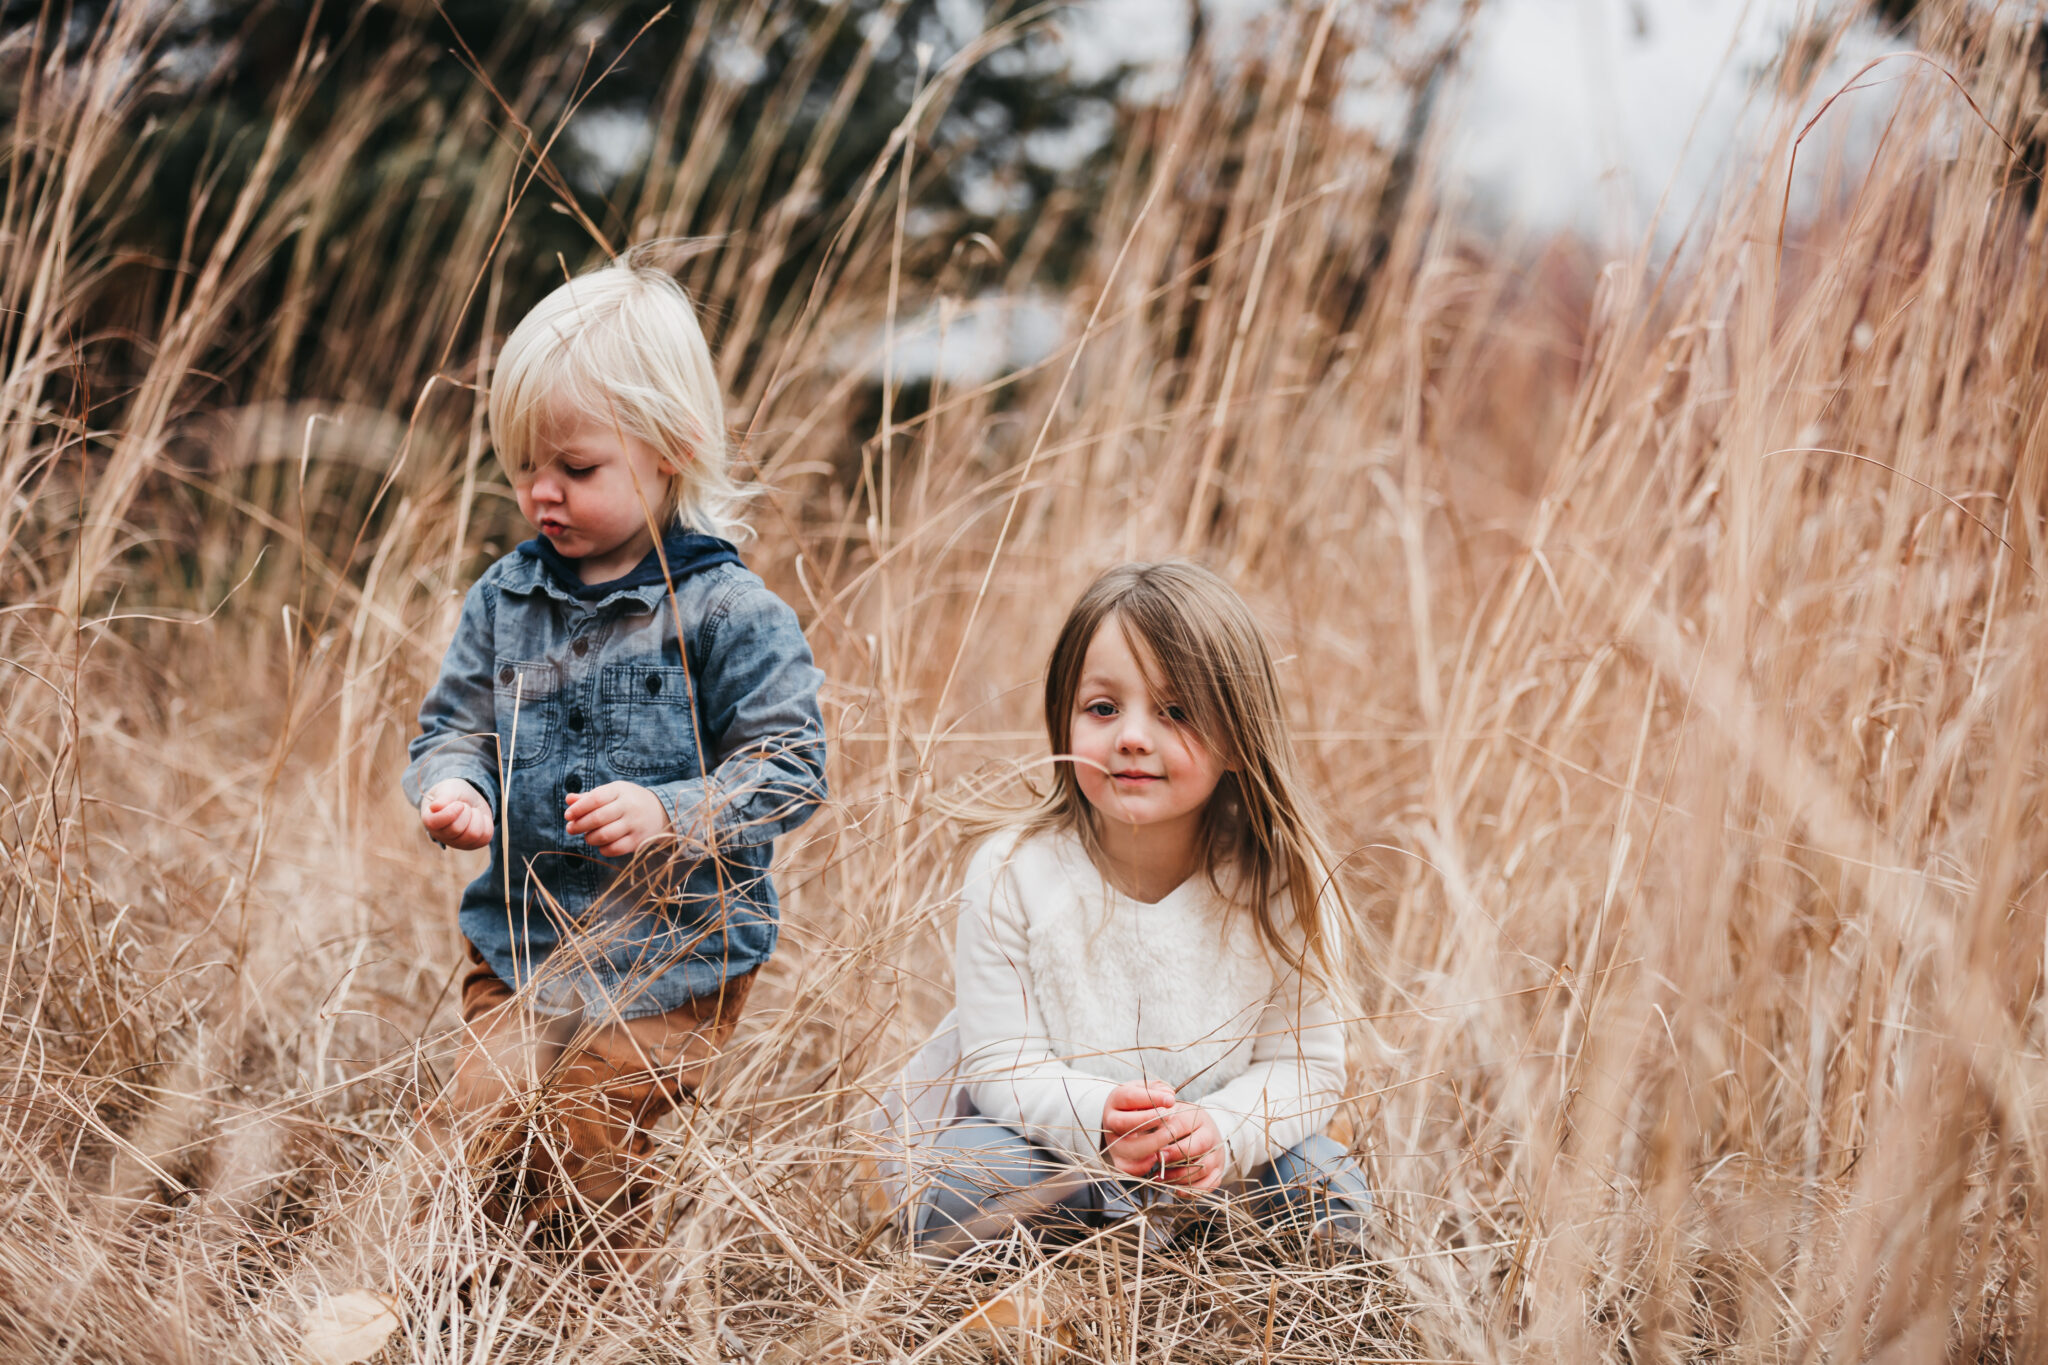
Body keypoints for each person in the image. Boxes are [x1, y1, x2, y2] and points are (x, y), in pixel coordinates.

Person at [400, 253, 827, 1264]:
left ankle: (607, 1302)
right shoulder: (505, 601)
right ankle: (455, 1291)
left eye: (576, 469)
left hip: (673, 961)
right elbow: (450, 728)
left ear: (670, 449)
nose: (540, 494)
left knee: (593, 1137)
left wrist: (673, 812)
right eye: (521, 467)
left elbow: (790, 764)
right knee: (476, 1131)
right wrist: (453, 785)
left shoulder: (728, 615)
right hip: (522, 946)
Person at [907, 561, 1371, 1260]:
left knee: (1325, 1184)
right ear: (1063, 715)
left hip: (1223, 1183)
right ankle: (1051, 1280)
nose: (1131, 735)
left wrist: (1220, 1129)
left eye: (1175, 710)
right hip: (1064, 1172)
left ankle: (1225, 1265)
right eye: (1103, 707)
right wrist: (1098, 1119)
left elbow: (1305, 1069)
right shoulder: (1014, 868)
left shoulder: (1280, 881)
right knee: (970, 1174)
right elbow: (1001, 1061)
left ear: (1239, 737)